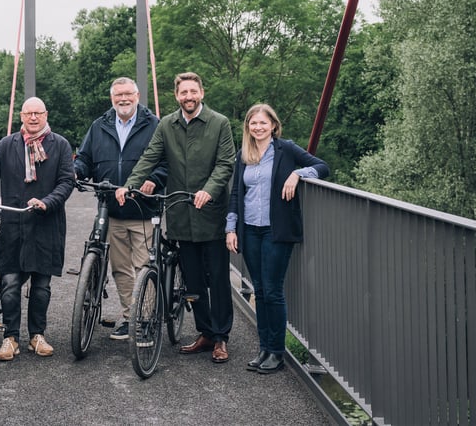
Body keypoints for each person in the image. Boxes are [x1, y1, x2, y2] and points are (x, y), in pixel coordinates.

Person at [116, 72, 236, 363]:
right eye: (184, 93)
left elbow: (225, 163)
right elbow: (150, 156)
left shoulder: (219, 123)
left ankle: (221, 337)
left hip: (210, 214)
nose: (189, 97)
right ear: (177, 96)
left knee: (218, 279)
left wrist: (208, 190)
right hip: (181, 214)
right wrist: (130, 184)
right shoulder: (167, 125)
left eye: (193, 91)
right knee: (193, 282)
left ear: (202, 93)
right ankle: (205, 332)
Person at [0, 97, 75, 361]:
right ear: (21, 116)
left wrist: (46, 202)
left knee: (41, 285)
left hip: (46, 223)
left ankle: (37, 336)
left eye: (38, 113)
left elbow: (67, 182)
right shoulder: (7, 145)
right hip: (13, 222)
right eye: (28, 113)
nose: (33, 118)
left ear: (46, 115)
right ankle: (10, 337)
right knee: (9, 283)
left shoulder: (61, 145)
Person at [225, 103, 329, 374]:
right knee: (259, 290)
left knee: (272, 290)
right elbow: (236, 194)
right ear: (248, 127)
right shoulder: (243, 155)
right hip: (250, 230)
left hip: (276, 230)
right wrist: (231, 228)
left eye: (263, 123)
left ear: (273, 125)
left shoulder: (286, 150)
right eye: (253, 123)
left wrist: (297, 174)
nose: (257, 127)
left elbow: (321, 166)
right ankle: (263, 348)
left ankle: (276, 352)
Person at [74, 77, 167, 340]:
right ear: (112, 98)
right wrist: (76, 171)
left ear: (137, 96)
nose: (123, 99)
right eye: (118, 95)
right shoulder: (100, 125)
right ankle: (130, 317)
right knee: (120, 269)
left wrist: (154, 179)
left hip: (143, 210)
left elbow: (166, 160)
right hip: (111, 209)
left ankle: (146, 319)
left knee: (143, 267)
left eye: (128, 94)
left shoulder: (154, 124)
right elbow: (85, 157)